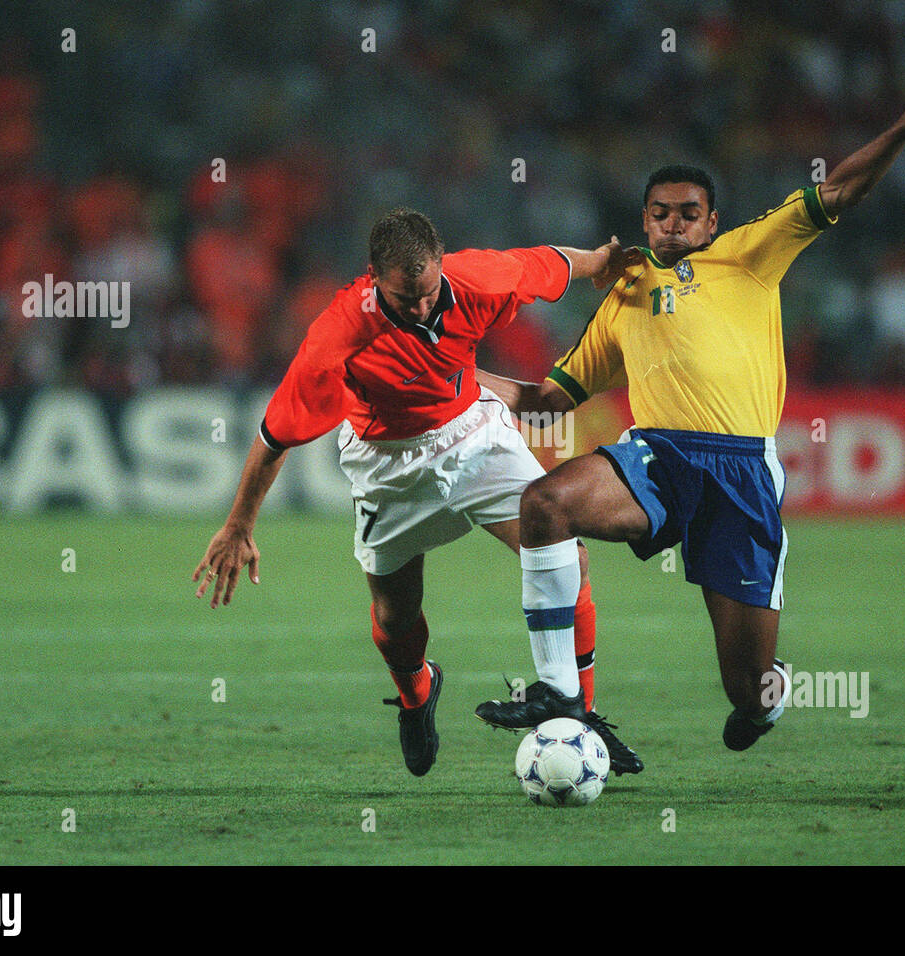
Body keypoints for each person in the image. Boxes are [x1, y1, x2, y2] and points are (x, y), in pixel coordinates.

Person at [475, 61, 905, 748]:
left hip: (741, 472)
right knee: (544, 504)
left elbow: (841, 189)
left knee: (746, 688)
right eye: (661, 213)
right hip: (657, 458)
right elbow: (544, 401)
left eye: (689, 213)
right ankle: (560, 692)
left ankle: (767, 696)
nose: (674, 224)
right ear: (644, 220)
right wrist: (453, 374)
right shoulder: (623, 296)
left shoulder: (749, 255)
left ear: (712, 222)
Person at [192, 208, 644, 776]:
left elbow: (548, 264)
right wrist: (239, 525)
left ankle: (580, 716)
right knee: (395, 615)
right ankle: (416, 692)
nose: (422, 307)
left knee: (566, 556)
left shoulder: (476, 278)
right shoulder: (338, 333)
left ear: (440, 266)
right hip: (389, 466)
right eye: (406, 299)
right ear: (373, 278)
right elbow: (273, 436)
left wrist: (601, 261)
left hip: (476, 436)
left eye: (429, 292)